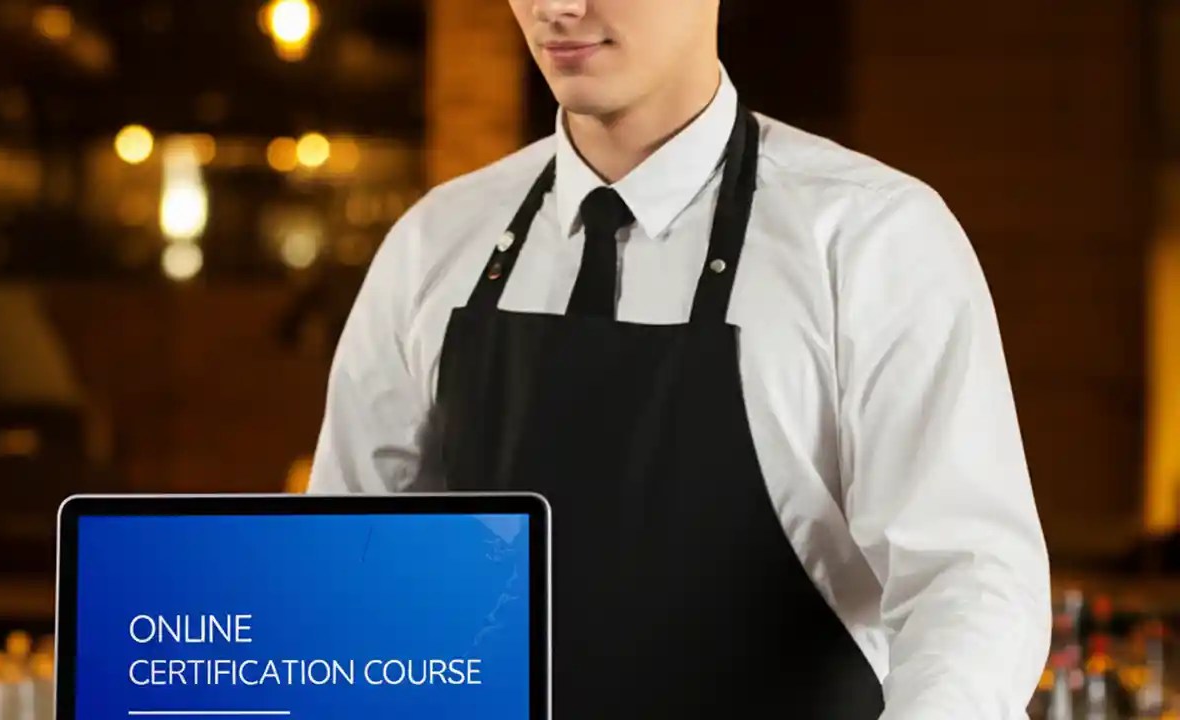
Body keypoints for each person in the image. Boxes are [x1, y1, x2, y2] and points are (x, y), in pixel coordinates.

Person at [307, 0, 1052, 716]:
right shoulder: (435, 242)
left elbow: (970, 584)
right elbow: (348, 571)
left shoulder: (866, 237)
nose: (555, 7)